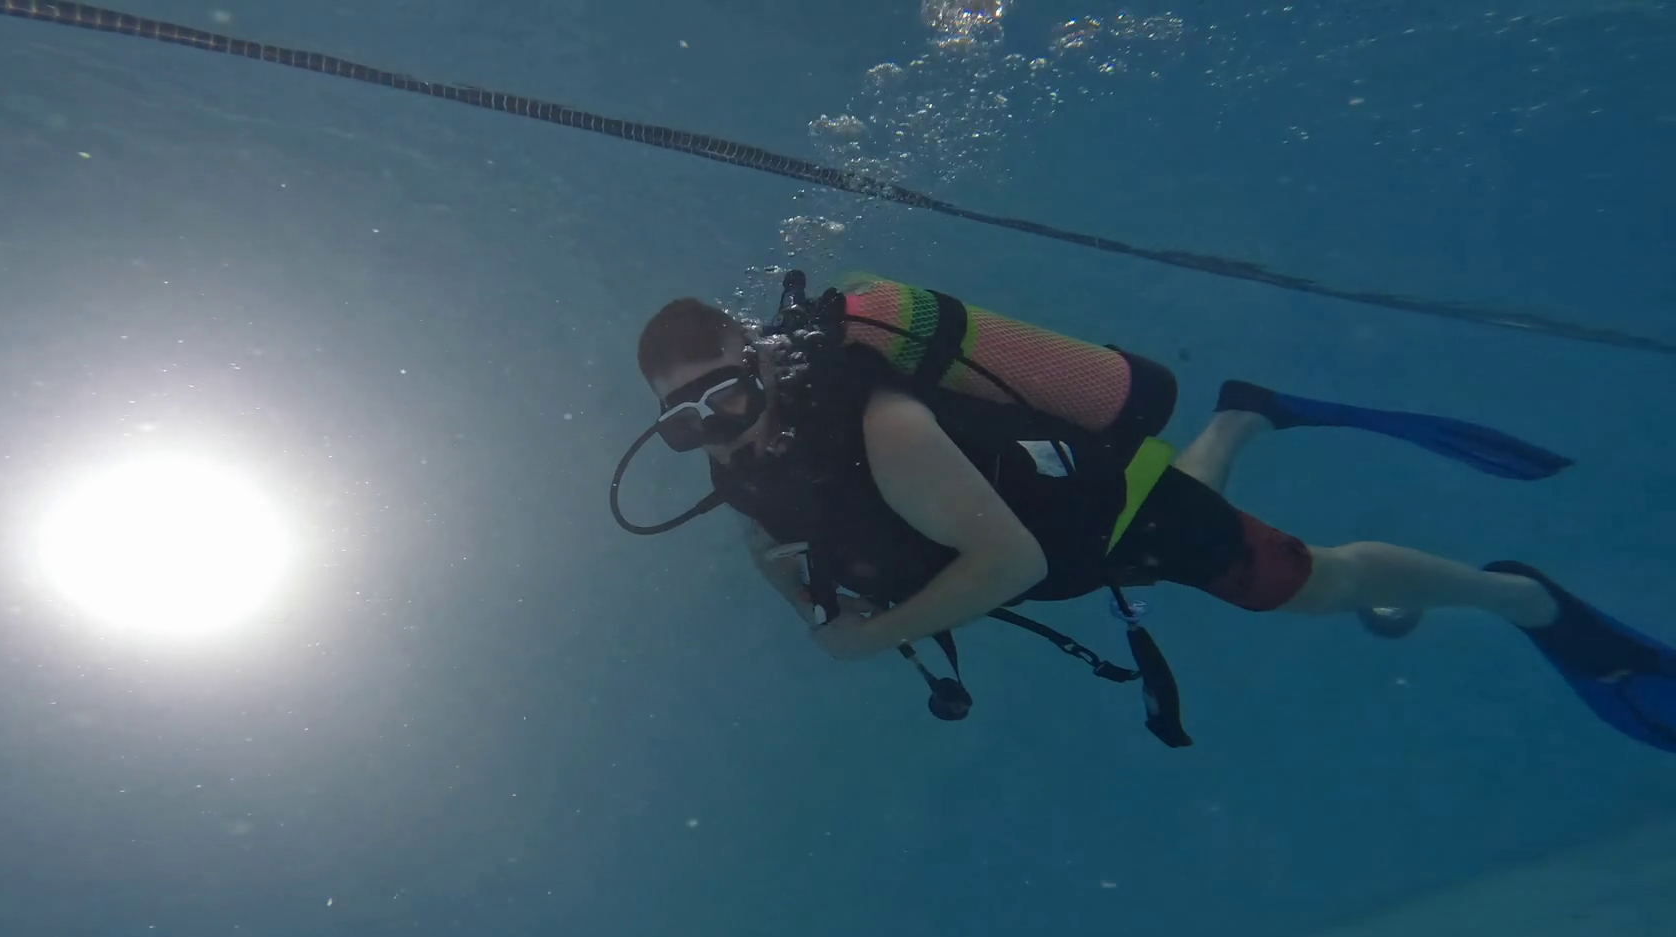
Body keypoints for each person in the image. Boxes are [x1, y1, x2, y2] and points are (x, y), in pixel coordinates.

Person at [608, 271, 1676, 753]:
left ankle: (1519, 599)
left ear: (764, 365)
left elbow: (1008, 563)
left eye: (730, 398)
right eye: (687, 423)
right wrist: (799, 598)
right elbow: (770, 542)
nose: (725, 433)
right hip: (1096, 533)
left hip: (1103, 521)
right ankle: (1247, 415)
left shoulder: (884, 426)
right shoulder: (749, 468)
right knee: (1174, 521)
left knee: (1309, 584)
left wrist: (867, 638)